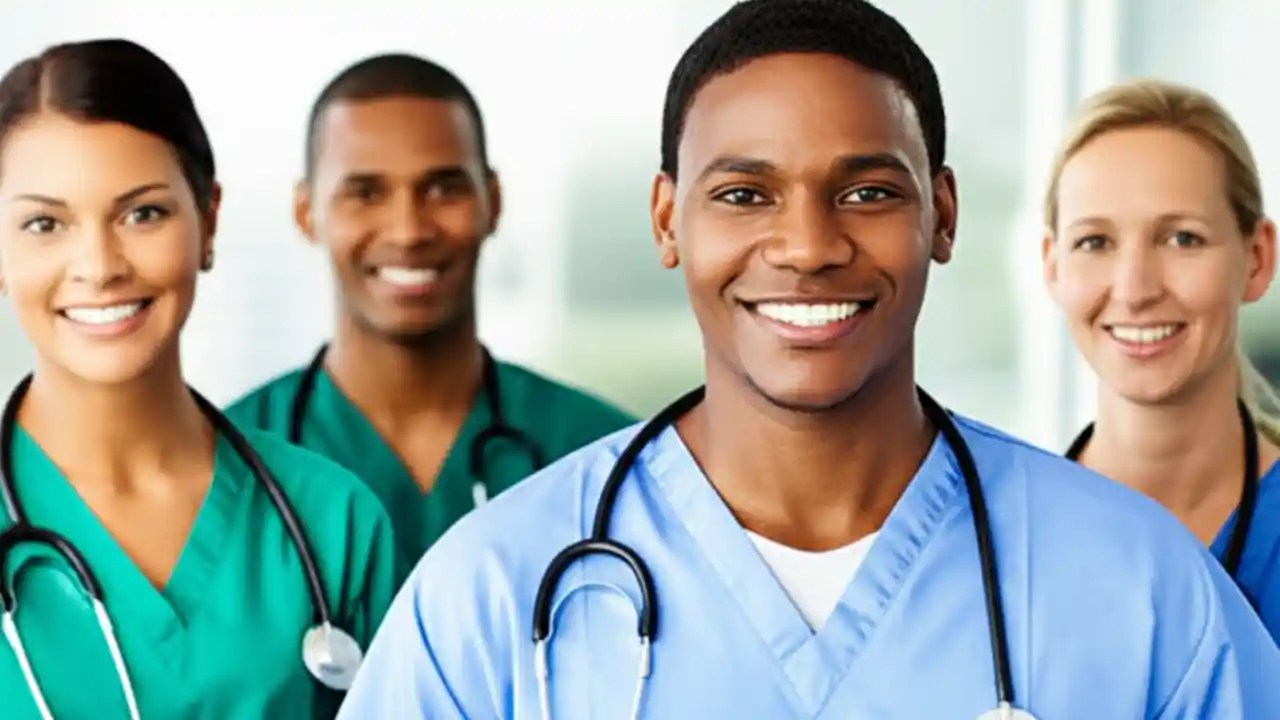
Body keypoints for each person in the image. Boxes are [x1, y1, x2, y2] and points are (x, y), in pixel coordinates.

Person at [336, 1, 1280, 718]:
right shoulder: (489, 596)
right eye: (745, 194)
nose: (807, 245)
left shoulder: (1142, 590)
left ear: (941, 215)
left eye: (867, 191)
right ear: (668, 219)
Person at [0, 40, 398, 719]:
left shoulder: (334, 522)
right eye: (45, 223)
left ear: (208, 220)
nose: (98, 265)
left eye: (142, 213)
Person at [224, 53, 636, 560]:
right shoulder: (228, 464)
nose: (408, 230)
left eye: (443, 189)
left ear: (494, 202)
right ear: (306, 213)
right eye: (366, 192)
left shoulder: (605, 452)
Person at [1043, 79, 1280, 638]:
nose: (1135, 289)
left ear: (1256, 258)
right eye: (1095, 242)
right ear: (1052, 266)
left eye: (1181, 239)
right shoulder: (998, 540)